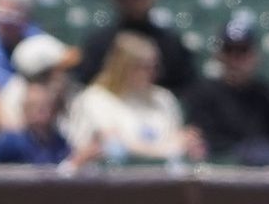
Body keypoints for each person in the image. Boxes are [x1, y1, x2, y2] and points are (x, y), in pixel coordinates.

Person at [63, 29, 202, 165]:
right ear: (123, 67)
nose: (152, 73)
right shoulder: (95, 98)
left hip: (162, 180)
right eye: (144, 67)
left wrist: (184, 144)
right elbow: (115, 148)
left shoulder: (163, 98)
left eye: (154, 66)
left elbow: (180, 139)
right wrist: (169, 148)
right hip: (110, 181)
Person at [181, 12, 269, 165]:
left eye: (242, 50)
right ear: (219, 55)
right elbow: (206, 144)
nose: (235, 59)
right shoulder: (202, 93)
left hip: (265, 174)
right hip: (222, 172)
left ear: (255, 55)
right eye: (229, 50)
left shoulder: (267, 95)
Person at [78, 0, 198, 94]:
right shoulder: (98, 43)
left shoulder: (171, 44)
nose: (132, 0)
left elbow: (186, 89)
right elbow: (87, 84)